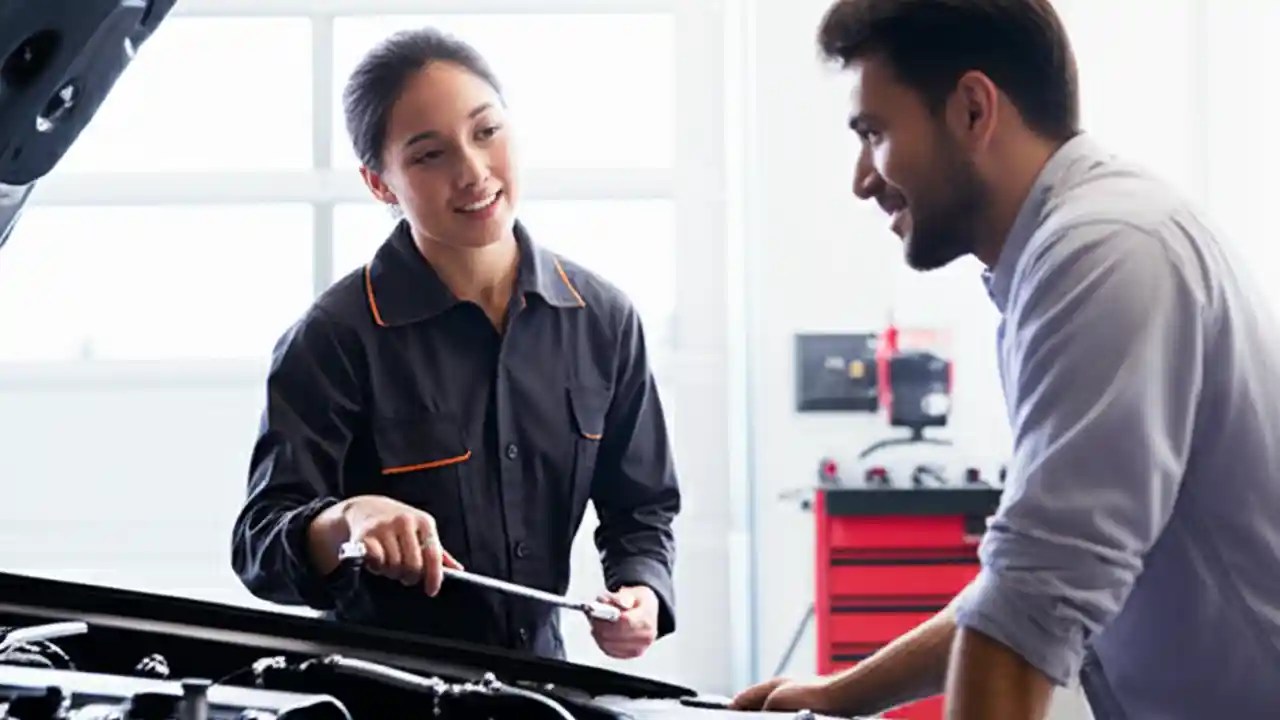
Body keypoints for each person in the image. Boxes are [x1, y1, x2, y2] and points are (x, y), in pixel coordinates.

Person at [733, 1, 1280, 718]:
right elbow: (1019, 586)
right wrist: (842, 695)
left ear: (970, 110)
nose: (863, 179)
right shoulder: (1069, 251)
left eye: (875, 134)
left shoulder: (1105, 251)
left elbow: (1030, 603)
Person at [229, 27, 680, 663]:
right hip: (379, 697)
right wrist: (346, 519)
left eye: (486, 132)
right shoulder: (333, 338)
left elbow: (643, 505)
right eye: (428, 155)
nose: (473, 171)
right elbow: (258, 543)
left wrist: (643, 589)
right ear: (380, 183)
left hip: (540, 694)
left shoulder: (601, 319)